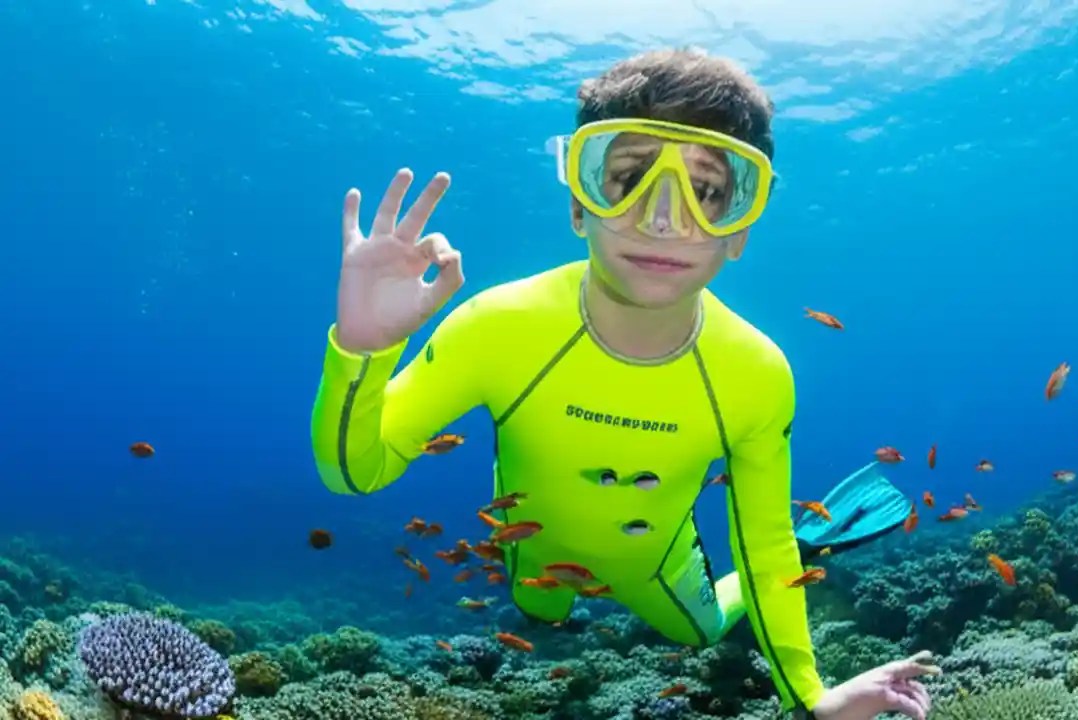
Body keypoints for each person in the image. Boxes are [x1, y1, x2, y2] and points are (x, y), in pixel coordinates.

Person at [310, 48, 940, 720]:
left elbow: (762, 547)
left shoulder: (756, 373)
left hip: (657, 568)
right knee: (536, 607)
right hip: (533, 550)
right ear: (578, 205)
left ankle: (822, 537)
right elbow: (355, 474)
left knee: (698, 630)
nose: (662, 218)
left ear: (740, 230)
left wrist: (812, 699)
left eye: (706, 191)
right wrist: (362, 350)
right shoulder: (495, 327)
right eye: (630, 176)